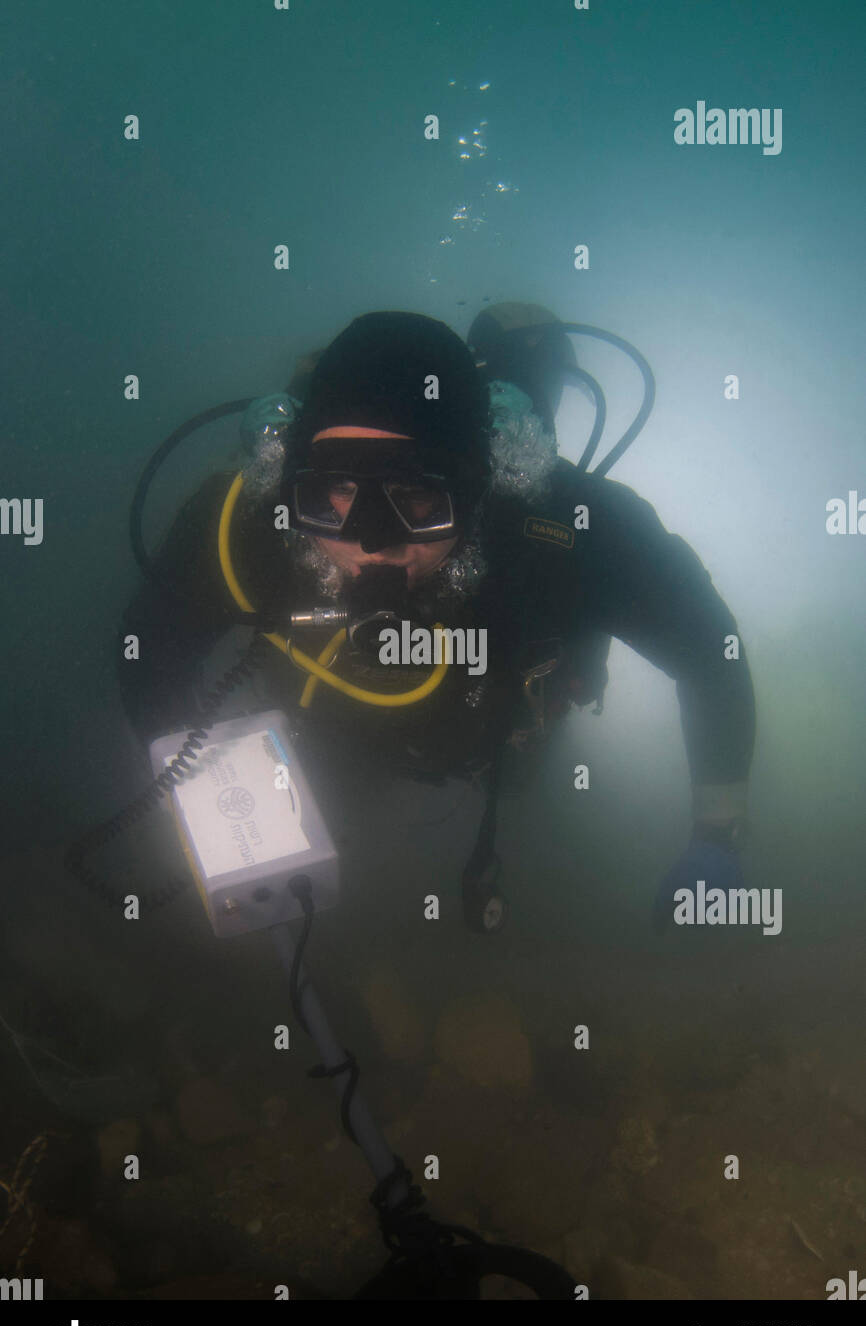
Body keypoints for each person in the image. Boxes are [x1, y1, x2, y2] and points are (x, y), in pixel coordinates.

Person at [117, 306, 755, 930]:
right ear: (291, 485)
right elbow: (148, 649)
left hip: (500, 739)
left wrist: (716, 835)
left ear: (479, 490)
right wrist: (215, 805)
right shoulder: (248, 527)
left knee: (523, 782)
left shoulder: (575, 530)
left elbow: (710, 650)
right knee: (342, 785)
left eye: (418, 495)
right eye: (336, 492)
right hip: (334, 741)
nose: (371, 544)